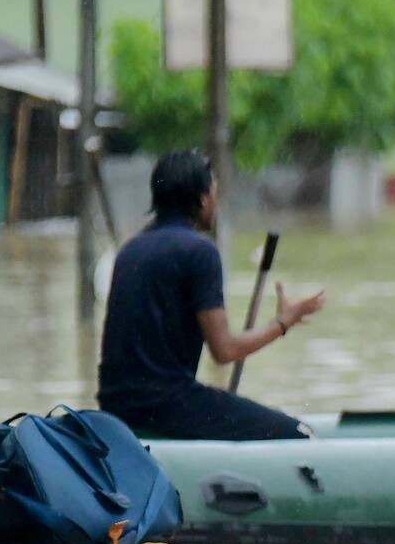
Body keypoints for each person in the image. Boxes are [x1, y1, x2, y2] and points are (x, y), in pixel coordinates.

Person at [95, 149, 325, 441]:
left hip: (115, 407)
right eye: (214, 192)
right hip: (165, 406)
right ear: (203, 198)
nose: (216, 201)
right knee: (299, 433)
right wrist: (283, 322)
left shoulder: (129, 251)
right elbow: (224, 350)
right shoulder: (200, 252)